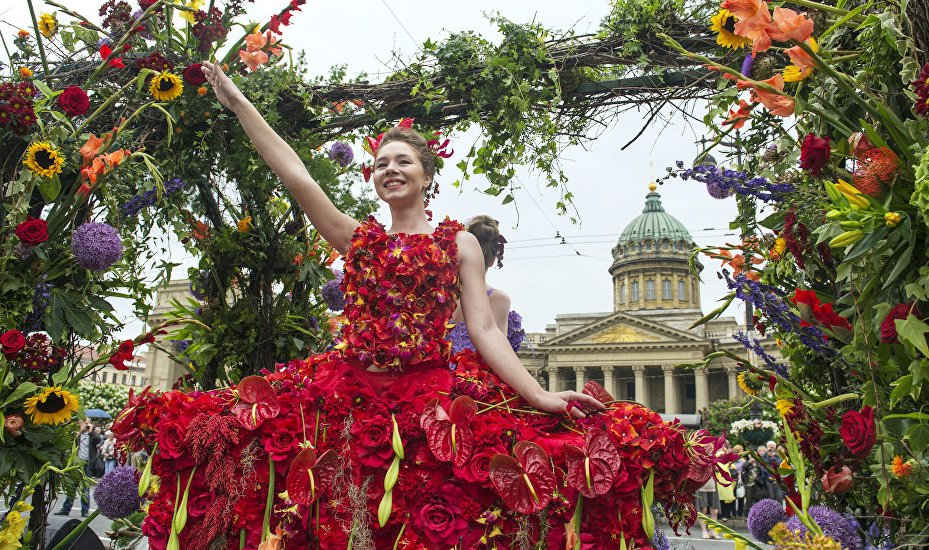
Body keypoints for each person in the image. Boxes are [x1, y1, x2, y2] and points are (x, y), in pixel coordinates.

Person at [110, 62, 731, 548]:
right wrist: (240, 104)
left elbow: (484, 330)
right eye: (380, 164)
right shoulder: (356, 237)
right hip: (343, 395)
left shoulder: (458, 243)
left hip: (428, 401)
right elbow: (296, 174)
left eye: (402, 161)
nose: (389, 170)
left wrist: (539, 396)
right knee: (311, 505)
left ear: (427, 174)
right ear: (373, 180)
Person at [445, 215, 525, 354]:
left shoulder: (441, 295)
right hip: (471, 375)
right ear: (492, 260)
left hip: (431, 374)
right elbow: (498, 354)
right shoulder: (498, 299)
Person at [56, 421, 101, 517]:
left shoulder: (91, 434)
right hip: (76, 463)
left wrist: (91, 431)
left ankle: (85, 510)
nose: (85, 425)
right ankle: (66, 508)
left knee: (85, 487)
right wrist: (79, 432)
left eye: (86, 423)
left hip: (87, 464)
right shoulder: (77, 434)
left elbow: (98, 440)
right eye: (83, 423)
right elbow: (68, 442)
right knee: (72, 486)